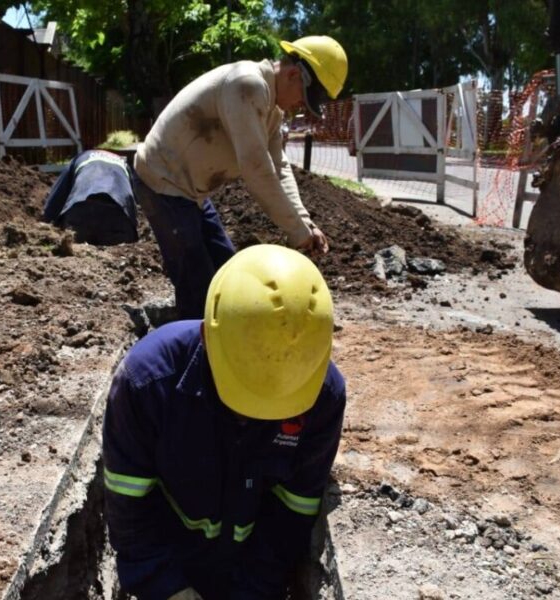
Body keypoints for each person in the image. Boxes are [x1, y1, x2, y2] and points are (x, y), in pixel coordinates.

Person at [102, 244, 347, 600]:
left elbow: (293, 512)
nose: (252, 414)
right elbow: (129, 511)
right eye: (244, 394)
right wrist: (167, 588)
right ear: (207, 335)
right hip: (172, 563)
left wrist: (255, 592)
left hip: (252, 572)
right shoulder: (147, 384)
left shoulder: (323, 396)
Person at [133, 36, 348, 319]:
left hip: (191, 193)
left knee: (229, 278)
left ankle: (196, 327)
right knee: (200, 294)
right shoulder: (247, 85)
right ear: (294, 74)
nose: (300, 106)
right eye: (303, 97)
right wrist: (296, 232)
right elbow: (257, 170)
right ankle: (184, 344)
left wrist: (304, 222)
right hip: (163, 184)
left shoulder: (271, 108)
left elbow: (279, 168)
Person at [41, 149, 138, 245]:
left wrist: (47, 223)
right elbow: (130, 202)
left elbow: (56, 198)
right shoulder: (124, 165)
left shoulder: (79, 159)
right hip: (116, 224)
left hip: (80, 218)